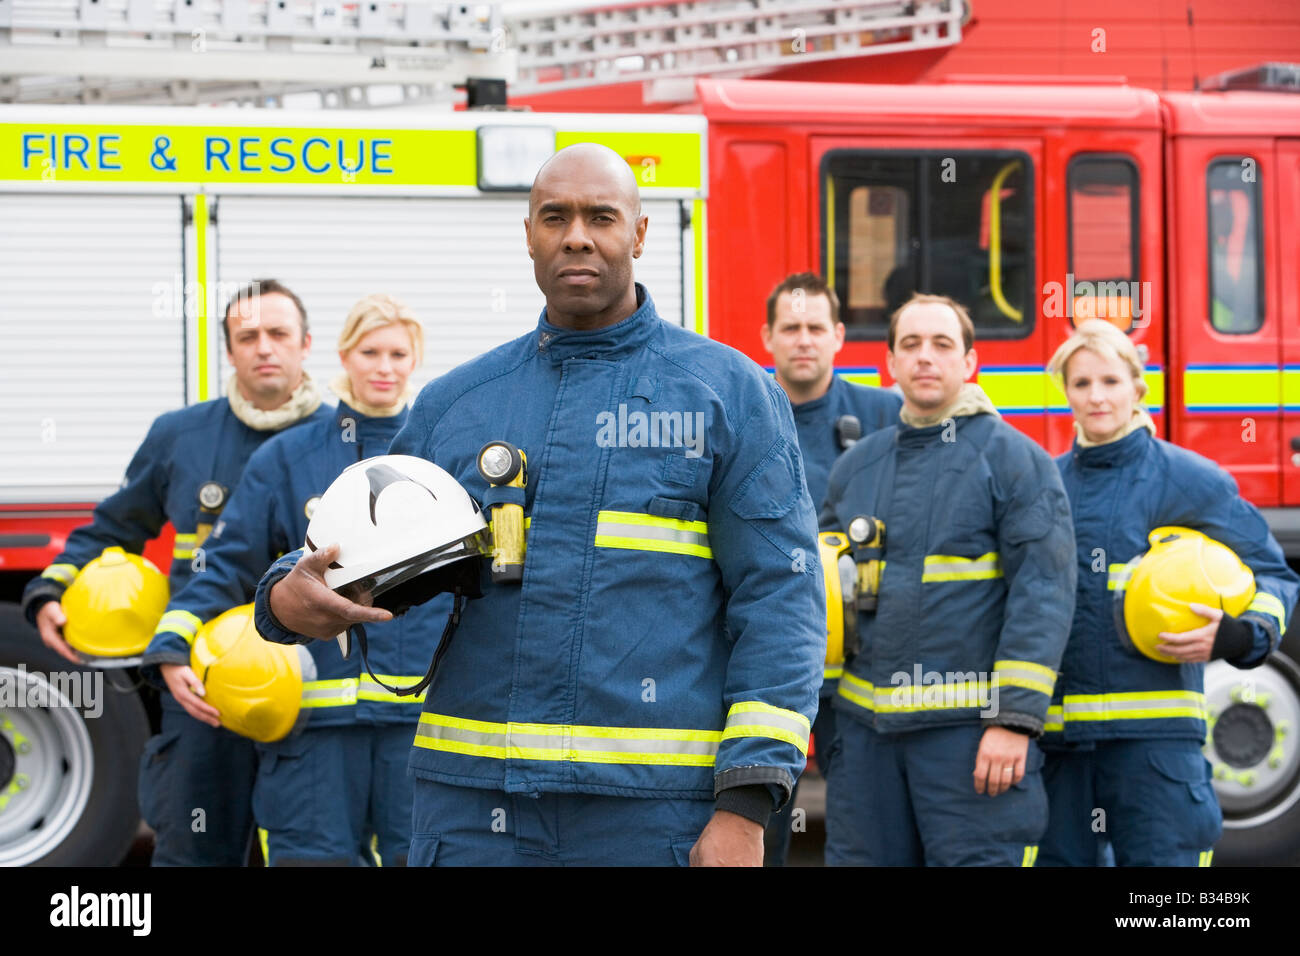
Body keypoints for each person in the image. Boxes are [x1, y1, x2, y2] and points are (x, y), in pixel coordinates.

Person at [254, 143, 825, 867]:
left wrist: (746, 806)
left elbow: (781, 598)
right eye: (554, 217)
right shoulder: (459, 405)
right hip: (471, 814)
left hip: (653, 817)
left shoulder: (727, 396)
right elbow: (357, 540)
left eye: (601, 217)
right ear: (528, 234)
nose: (577, 235)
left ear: (640, 234)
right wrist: (286, 600)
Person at [20, 279, 328, 866]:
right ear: (230, 351)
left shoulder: (345, 436)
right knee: (194, 852)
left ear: (306, 342)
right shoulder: (180, 436)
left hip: (316, 690)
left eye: (278, 334)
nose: (264, 347)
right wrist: (49, 589)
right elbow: (114, 528)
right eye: (248, 336)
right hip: (198, 686)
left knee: (316, 853)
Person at [142, 293, 433, 866]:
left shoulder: (440, 453)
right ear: (342, 355)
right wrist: (173, 642)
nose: (384, 366)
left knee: (423, 858)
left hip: (416, 727)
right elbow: (226, 564)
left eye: (398, 353)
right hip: (316, 729)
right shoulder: (285, 457)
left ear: (415, 360)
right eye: (369, 350)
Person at [820, 293, 1076, 866]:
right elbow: (818, 592)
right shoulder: (856, 467)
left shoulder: (1015, 461)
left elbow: (1045, 593)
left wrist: (1014, 720)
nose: (925, 357)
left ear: (971, 361)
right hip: (867, 742)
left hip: (968, 742)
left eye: (942, 344)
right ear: (889, 362)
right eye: (910, 345)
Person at [1038, 319, 1298, 866]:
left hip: (1154, 750)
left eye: (1110, 380)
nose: (1096, 396)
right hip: (1063, 753)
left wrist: (1239, 635)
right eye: (1081, 384)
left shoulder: (1190, 478)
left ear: (1138, 387)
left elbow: (1274, 574)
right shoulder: (1046, 485)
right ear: (1065, 393)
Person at [758, 271, 901, 865]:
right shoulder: (741, 412)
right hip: (764, 650)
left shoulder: (887, 415)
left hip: (862, 657)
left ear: (840, 335)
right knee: (756, 796)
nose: (803, 340)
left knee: (861, 815)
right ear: (766, 336)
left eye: (816, 327)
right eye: (790, 328)